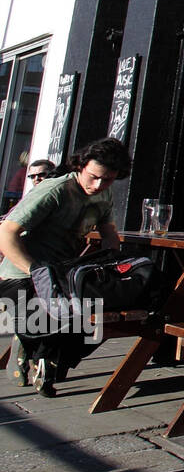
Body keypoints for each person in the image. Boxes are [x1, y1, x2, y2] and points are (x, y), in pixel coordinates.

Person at [0, 138, 131, 396]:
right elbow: (7, 233)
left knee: (102, 318)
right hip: (20, 275)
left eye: (107, 180)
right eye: (94, 177)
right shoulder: (55, 190)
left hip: (64, 274)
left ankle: (46, 357)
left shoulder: (104, 193)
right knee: (49, 320)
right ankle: (40, 352)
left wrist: (112, 267)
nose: (98, 185)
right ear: (81, 166)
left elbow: (109, 234)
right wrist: (35, 271)